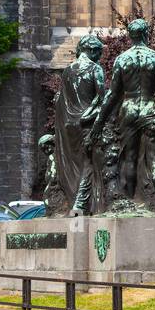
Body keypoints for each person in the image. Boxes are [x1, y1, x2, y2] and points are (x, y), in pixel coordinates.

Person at [84, 19, 155, 216]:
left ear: (130, 36)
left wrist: (98, 124)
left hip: (129, 109)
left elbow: (112, 95)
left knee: (129, 158)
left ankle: (128, 202)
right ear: (146, 35)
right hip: (149, 109)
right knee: (154, 160)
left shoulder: (122, 59)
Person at [51, 34, 104, 216]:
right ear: (91, 51)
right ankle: (81, 204)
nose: (99, 56)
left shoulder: (67, 71)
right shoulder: (95, 69)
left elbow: (60, 100)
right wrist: (92, 113)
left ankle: (76, 200)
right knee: (90, 162)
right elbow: (102, 97)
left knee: (75, 163)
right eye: (98, 52)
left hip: (68, 125)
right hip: (87, 123)